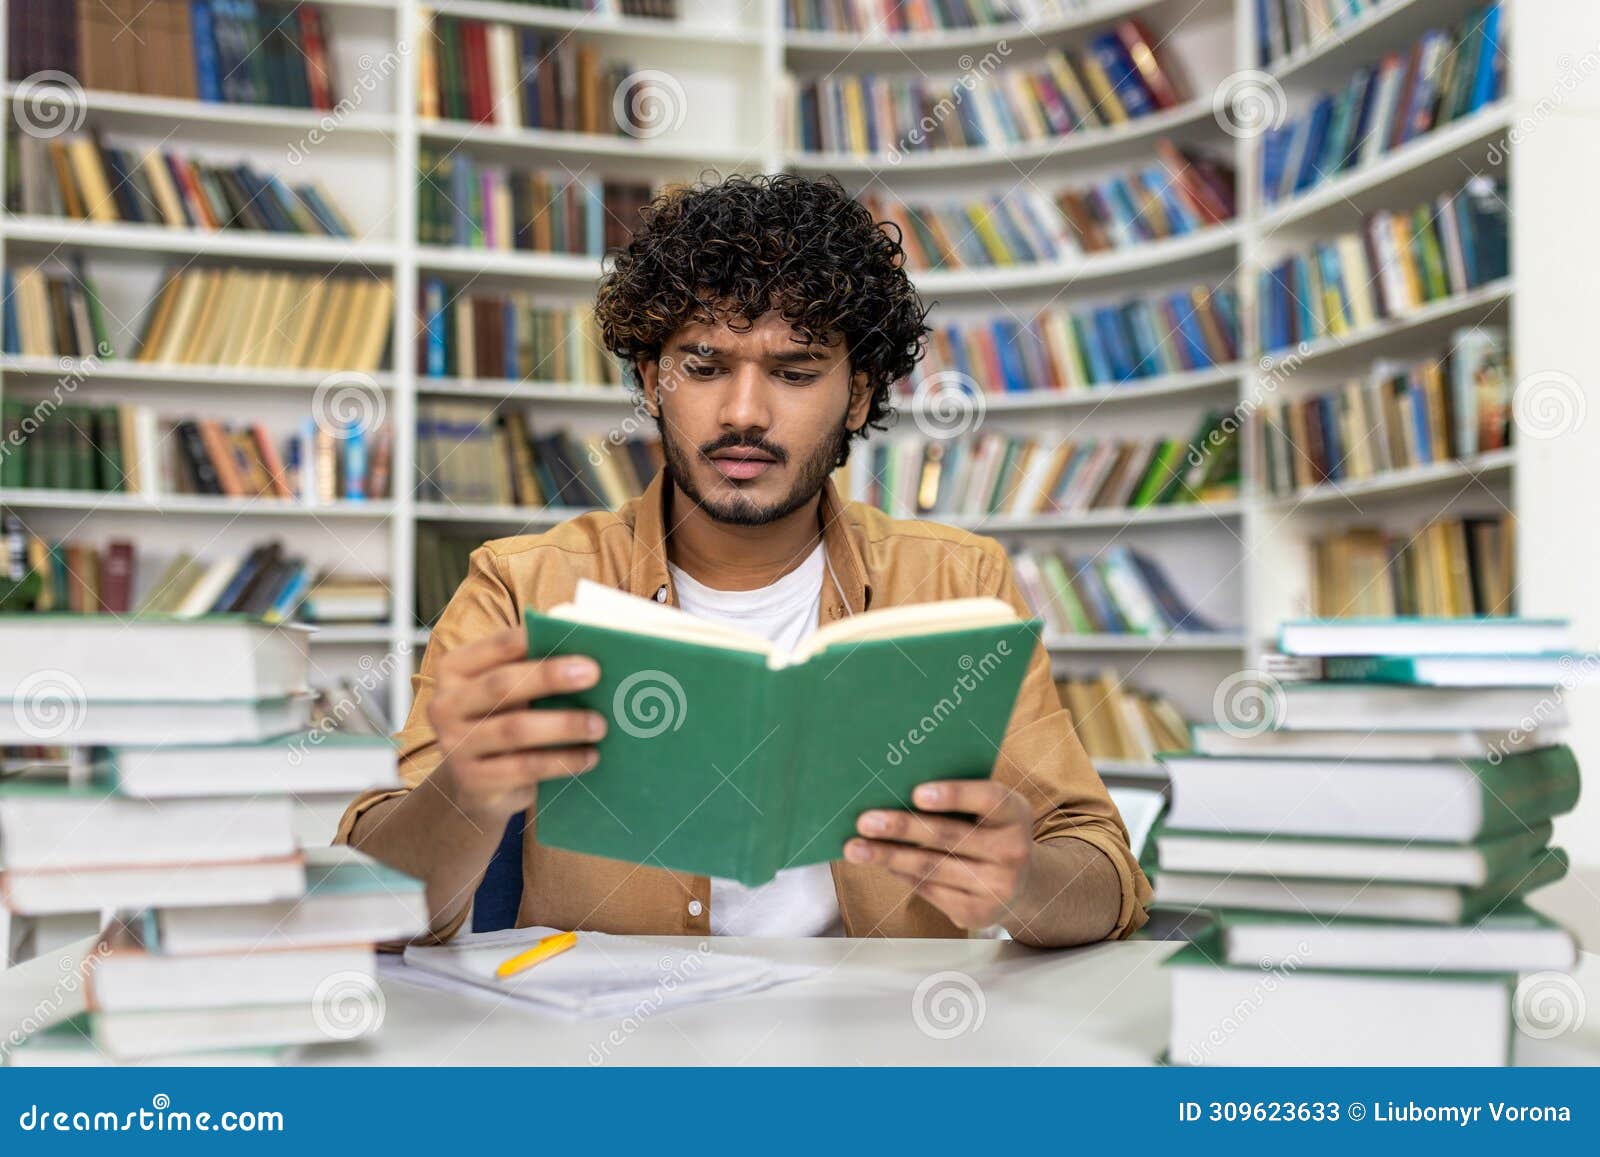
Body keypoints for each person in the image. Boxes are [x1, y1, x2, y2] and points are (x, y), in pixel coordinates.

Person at [339, 173, 1151, 946]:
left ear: (859, 395)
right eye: (703, 366)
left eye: (795, 372)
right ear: (653, 379)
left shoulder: (955, 584)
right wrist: (468, 790)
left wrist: (1023, 882)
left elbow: (1106, 875)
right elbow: (376, 913)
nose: (743, 413)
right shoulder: (523, 586)